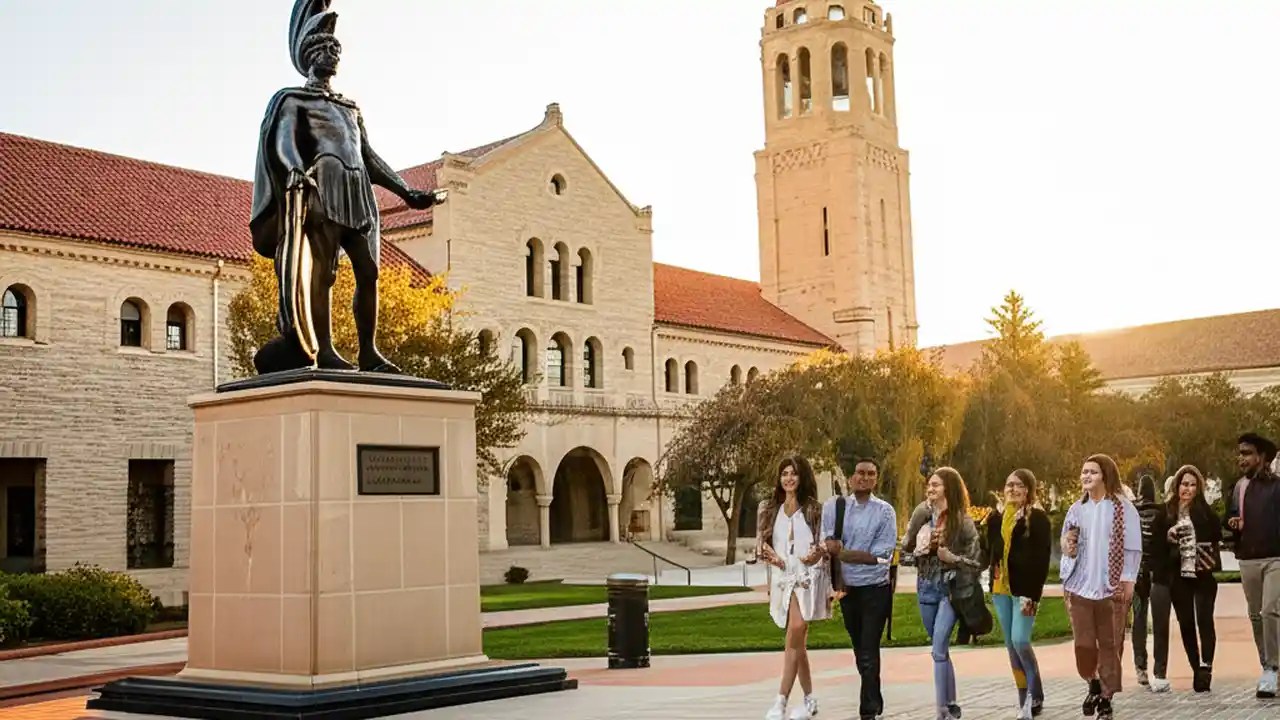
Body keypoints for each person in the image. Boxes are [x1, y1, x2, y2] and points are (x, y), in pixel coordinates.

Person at [250, 0, 444, 374]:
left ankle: (369, 352)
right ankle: (325, 350)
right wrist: (292, 169)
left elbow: (369, 157)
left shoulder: (350, 108)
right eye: (323, 49)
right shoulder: (293, 99)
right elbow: (283, 141)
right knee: (325, 271)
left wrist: (406, 192)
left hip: (358, 192)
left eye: (335, 50)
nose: (331, 55)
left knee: (368, 271)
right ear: (308, 56)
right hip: (323, 187)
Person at [1060, 454, 1142, 720]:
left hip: (1111, 587)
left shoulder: (1123, 509)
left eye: (1092, 472)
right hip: (1080, 585)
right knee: (1084, 644)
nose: (1086, 476)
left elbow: (1132, 548)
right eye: (1084, 472)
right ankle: (1092, 682)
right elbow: (1066, 544)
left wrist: (1128, 579)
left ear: (1105, 475)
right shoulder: (1076, 509)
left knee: (1110, 643)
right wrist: (1066, 546)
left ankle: (1106, 698)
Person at [902, 467, 984, 720]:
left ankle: (941, 712)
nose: (930, 488)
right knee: (941, 650)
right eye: (929, 484)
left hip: (950, 591)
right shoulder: (921, 514)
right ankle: (951, 703)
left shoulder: (963, 521)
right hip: (926, 588)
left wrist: (952, 558)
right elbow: (904, 550)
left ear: (948, 487)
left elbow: (977, 563)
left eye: (936, 484)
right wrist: (916, 554)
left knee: (938, 650)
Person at [821, 457, 899, 720]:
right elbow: (827, 542)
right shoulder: (837, 507)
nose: (864, 477)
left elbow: (880, 556)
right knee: (858, 648)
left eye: (871, 474)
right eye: (860, 473)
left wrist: (843, 553)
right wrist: (842, 556)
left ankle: (867, 710)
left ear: (876, 479)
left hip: (876, 589)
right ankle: (874, 698)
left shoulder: (885, 512)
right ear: (851, 477)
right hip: (848, 589)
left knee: (868, 647)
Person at [758, 456, 831, 720]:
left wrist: (818, 553)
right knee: (797, 642)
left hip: (807, 578)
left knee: (797, 630)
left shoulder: (814, 510)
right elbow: (762, 545)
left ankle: (780, 701)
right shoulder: (769, 509)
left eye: (794, 474)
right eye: (784, 473)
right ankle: (810, 700)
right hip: (782, 579)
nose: (788, 478)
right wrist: (769, 556)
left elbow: (824, 545)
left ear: (803, 478)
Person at [984, 469, 1052, 719]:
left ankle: (1036, 693)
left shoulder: (1038, 519)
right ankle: (1025, 697)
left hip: (1024, 591)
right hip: (1000, 588)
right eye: (1009, 484)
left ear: (1029, 490)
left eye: (1019, 485)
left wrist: (1033, 595)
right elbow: (989, 553)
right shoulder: (997, 518)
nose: (1012, 489)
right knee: (1011, 646)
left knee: (1021, 640)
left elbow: (1042, 561)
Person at [1149, 465, 1221, 693]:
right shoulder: (1165, 513)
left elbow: (1216, 537)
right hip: (1178, 576)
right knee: (1186, 623)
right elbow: (1154, 547)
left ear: (1198, 487)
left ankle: (1206, 665)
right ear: (1176, 485)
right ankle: (1196, 668)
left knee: (1205, 621)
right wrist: (1168, 536)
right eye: (1183, 484)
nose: (1187, 489)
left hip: (1203, 576)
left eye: (1192, 484)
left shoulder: (1205, 513)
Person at [1224, 432, 1280, 698]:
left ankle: (1272, 667)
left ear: (1262, 457)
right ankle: (1266, 664)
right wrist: (1233, 524)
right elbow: (1231, 519)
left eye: (1247, 453)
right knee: (1256, 614)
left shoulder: (1277, 487)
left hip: (1275, 559)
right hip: (1247, 559)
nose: (1241, 459)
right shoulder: (1239, 487)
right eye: (1240, 453)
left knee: (1270, 611)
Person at [1129, 475, 1160, 688]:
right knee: (1159, 620)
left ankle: (1141, 667)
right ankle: (1160, 669)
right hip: (1156, 573)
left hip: (1136, 573)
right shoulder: (1161, 511)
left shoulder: (1131, 511)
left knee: (1139, 620)